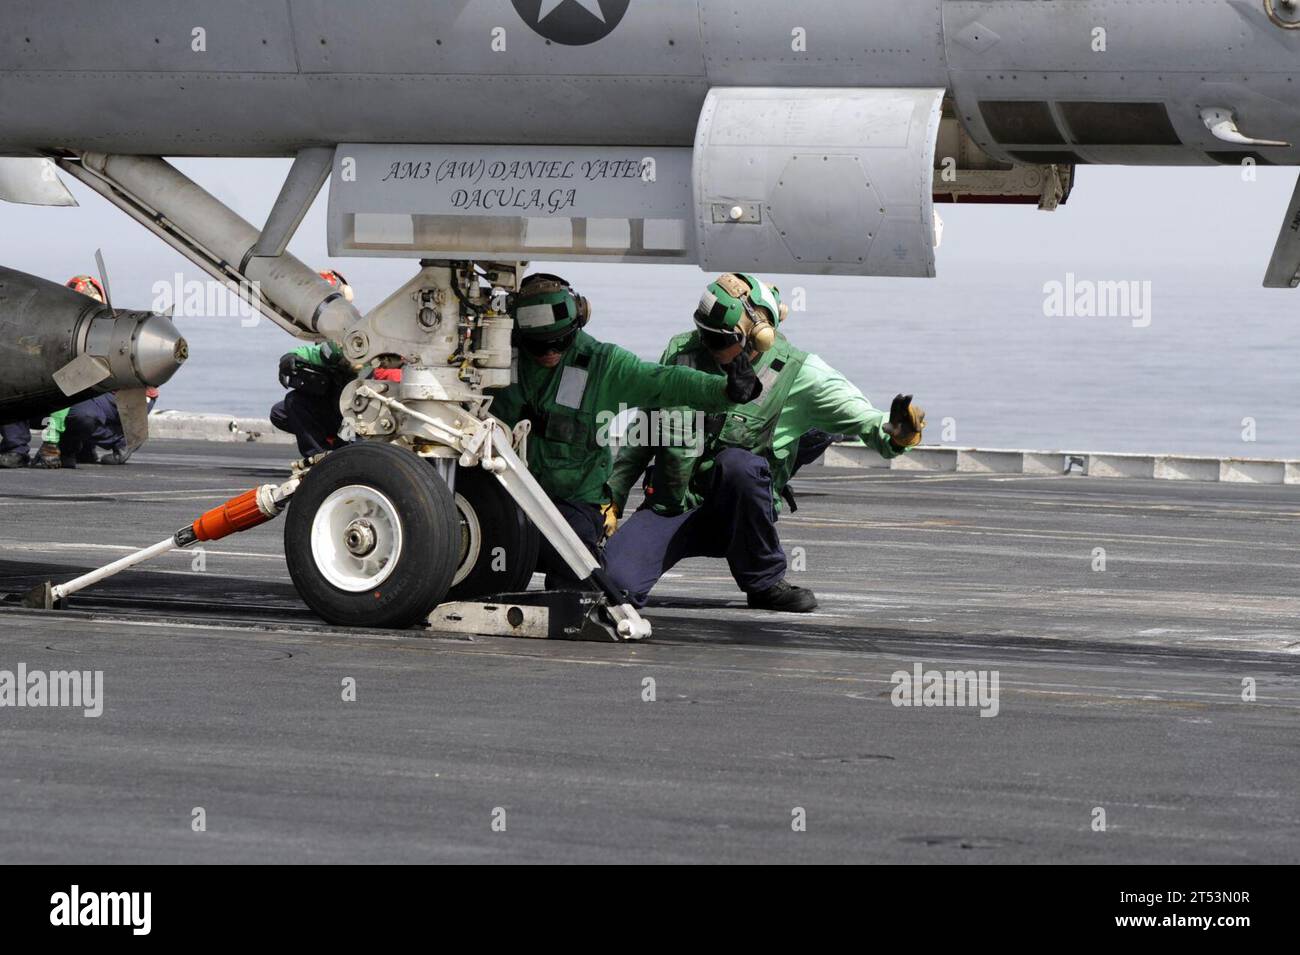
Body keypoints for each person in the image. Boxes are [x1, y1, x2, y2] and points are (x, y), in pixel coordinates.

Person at [603, 272, 927, 613]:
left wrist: (897, 434)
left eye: (719, 339)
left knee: (739, 466)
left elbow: (867, 420)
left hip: (740, 512)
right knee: (613, 586)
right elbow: (647, 427)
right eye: (705, 334)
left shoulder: (801, 374)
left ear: (759, 335)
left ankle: (765, 581)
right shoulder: (682, 353)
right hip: (675, 504)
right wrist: (614, 497)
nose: (709, 346)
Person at [487, 272, 762, 587]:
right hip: (502, 500)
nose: (549, 351)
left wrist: (726, 391)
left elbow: (664, 381)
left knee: (581, 589)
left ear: (576, 327)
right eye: (538, 346)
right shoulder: (492, 360)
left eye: (560, 341)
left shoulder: (602, 365)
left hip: (569, 506)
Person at [23, 275, 142, 469]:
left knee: (81, 414)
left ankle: (120, 440)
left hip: (125, 395)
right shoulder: (64, 334)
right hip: (94, 391)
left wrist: (51, 444)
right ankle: (79, 450)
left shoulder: (104, 337)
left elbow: (67, 390)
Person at [269, 270, 358, 457]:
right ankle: (324, 452)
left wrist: (294, 355)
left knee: (296, 404)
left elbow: (327, 353)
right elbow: (322, 353)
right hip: (340, 402)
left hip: (354, 406)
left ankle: (327, 455)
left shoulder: (349, 330)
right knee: (281, 412)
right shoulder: (329, 330)